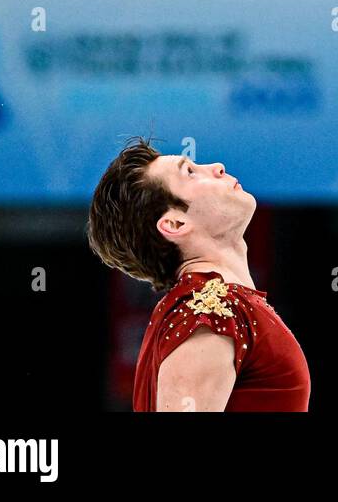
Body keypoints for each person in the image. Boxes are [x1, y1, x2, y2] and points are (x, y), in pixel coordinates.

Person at [87, 138, 310, 412]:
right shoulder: (208, 314)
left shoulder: (211, 308)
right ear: (175, 223)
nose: (217, 166)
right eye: (190, 172)